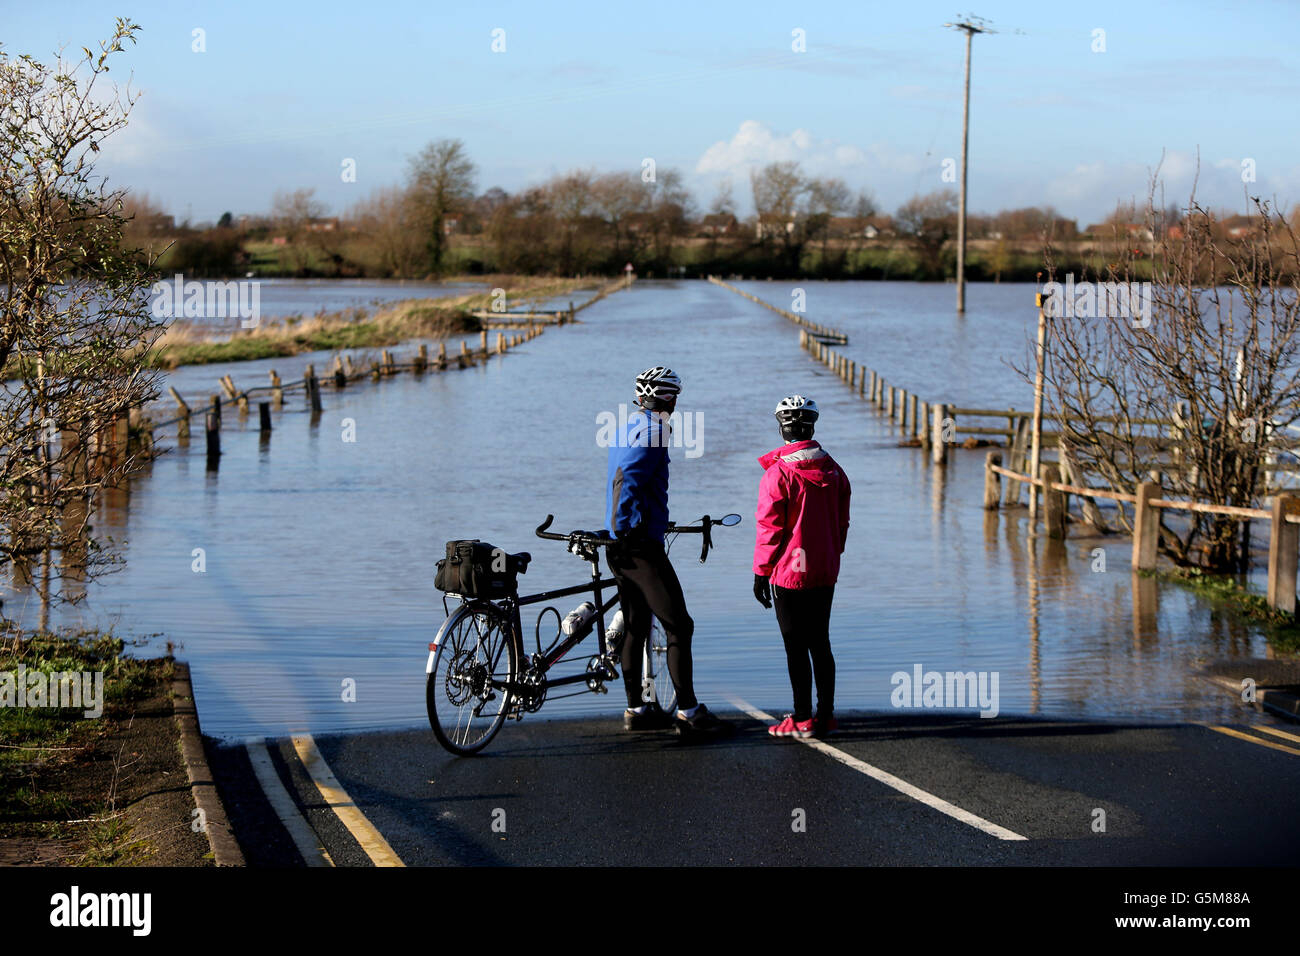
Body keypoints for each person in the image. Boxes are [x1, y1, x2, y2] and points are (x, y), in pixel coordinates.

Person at [606, 366, 732, 738]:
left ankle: (637, 709)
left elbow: (633, 481)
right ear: (665, 397)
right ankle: (689, 713)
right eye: (672, 395)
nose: (676, 402)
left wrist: (622, 528)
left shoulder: (625, 426)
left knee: (636, 626)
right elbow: (627, 477)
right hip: (638, 546)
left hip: (621, 544)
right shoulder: (655, 430)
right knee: (679, 624)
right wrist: (628, 527)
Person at [753, 395, 850, 739]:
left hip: (788, 573)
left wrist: (760, 573)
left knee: (795, 645)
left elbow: (770, 529)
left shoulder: (778, 474)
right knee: (820, 641)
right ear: (812, 425)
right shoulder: (835, 470)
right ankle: (825, 715)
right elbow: (842, 524)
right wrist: (832, 555)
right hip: (824, 568)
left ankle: (802, 717)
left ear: (782, 427)